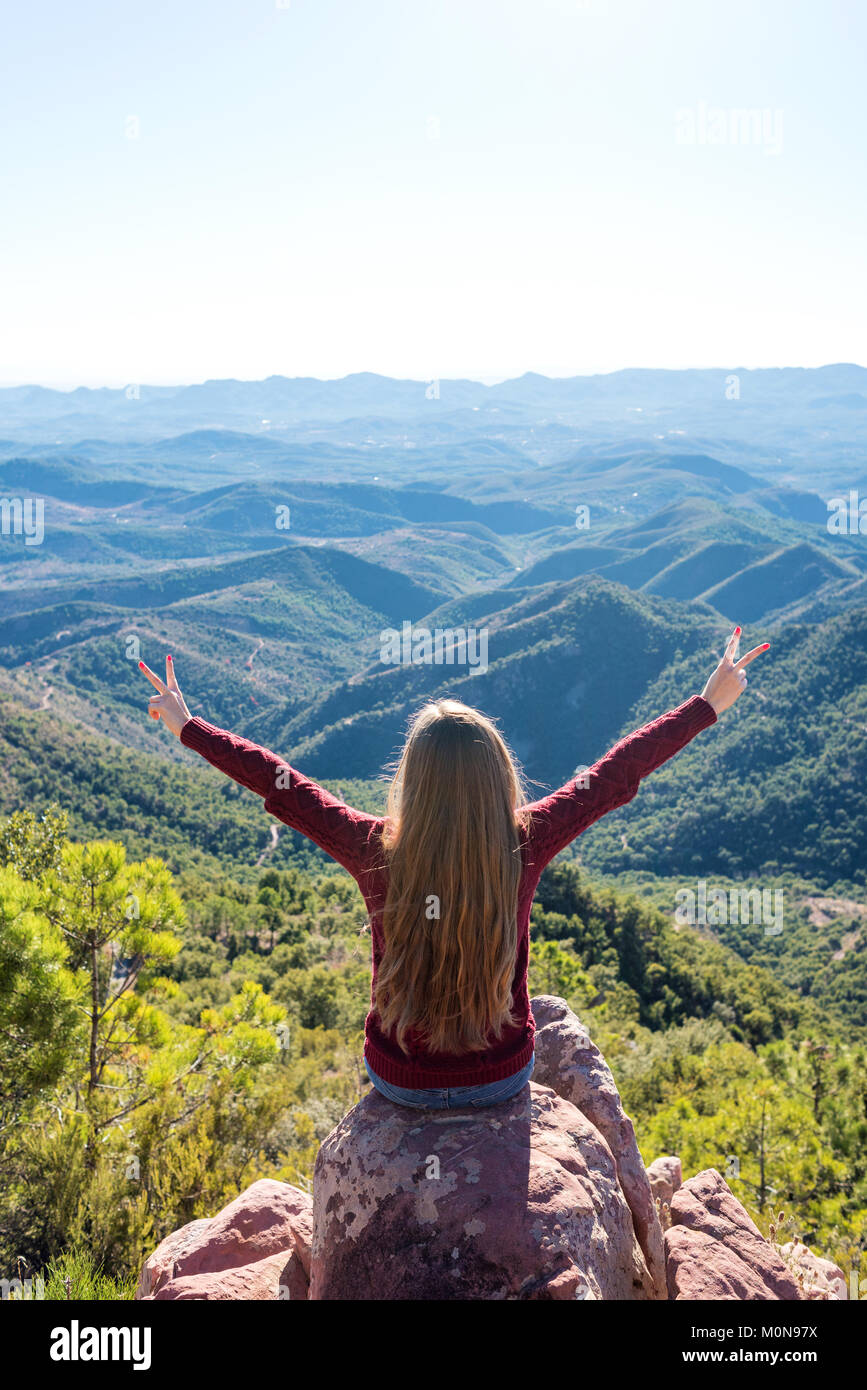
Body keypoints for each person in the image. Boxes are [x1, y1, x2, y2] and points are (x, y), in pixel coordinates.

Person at [139, 625, 769, 1111]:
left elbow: (282, 783)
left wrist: (189, 727)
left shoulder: (373, 848)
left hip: (398, 1081)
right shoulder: (526, 840)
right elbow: (614, 774)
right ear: (499, 779)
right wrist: (706, 705)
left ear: (412, 784)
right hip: (500, 1078)